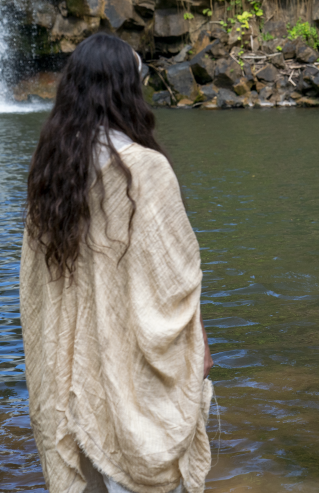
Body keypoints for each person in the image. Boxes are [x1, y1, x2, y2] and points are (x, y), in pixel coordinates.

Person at [20, 32, 213, 493]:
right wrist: (198, 345)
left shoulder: (50, 172)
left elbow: (35, 288)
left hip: (69, 372)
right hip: (126, 366)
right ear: (127, 87)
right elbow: (175, 280)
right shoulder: (145, 168)